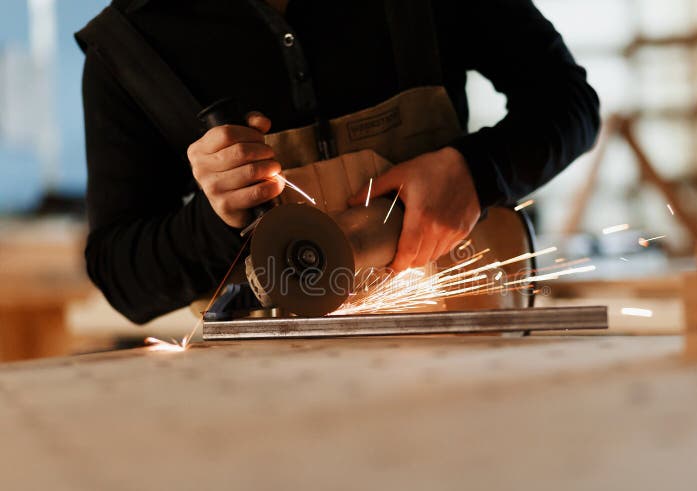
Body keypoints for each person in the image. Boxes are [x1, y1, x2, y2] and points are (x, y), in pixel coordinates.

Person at [78, 0, 600, 324]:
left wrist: (476, 170)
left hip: (462, 351)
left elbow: (569, 104)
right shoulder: (132, 47)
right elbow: (123, 278)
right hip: (263, 400)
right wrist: (215, 220)